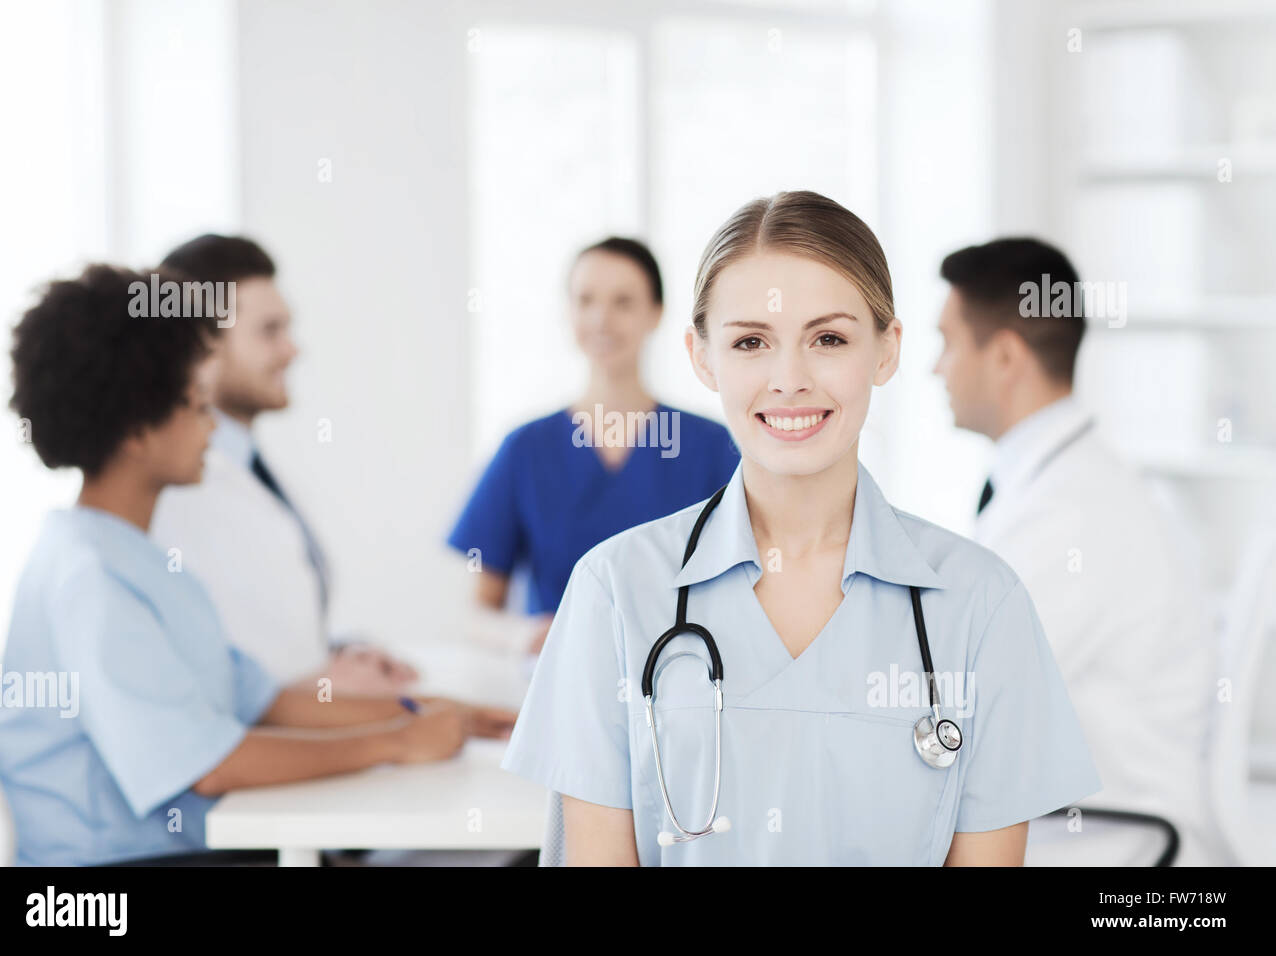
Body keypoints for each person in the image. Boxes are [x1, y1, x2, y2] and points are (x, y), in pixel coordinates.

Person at [500, 192, 1100, 866]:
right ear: (702, 356)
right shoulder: (612, 592)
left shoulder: (982, 604)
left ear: (886, 351)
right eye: (751, 342)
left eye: (829, 339)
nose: (789, 380)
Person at [0, 265, 514, 866]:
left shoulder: (137, 559)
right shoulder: (92, 579)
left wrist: (430, 711)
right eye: (195, 404)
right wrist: (396, 742)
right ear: (136, 430)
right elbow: (207, 766)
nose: (212, 424)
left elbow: (265, 701)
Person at [933, 238, 1218, 865]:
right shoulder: (1058, 486)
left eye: (948, 343)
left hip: (1112, 849)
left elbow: (965, 701)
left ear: (1004, 357)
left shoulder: (1074, 514)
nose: (936, 368)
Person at [448, 237, 740, 655]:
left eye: (623, 302)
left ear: (656, 313)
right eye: (586, 300)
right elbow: (477, 611)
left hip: (678, 676)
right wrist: (524, 635)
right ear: (568, 312)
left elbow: (749, 590)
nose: (602, 319)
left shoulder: (711, 447)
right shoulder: (526, 449)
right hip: (558, 676)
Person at [150, 235, 415, 694]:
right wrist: (311, 688)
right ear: (200, 344)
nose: (293, 350)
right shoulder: (171, 490)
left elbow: (258, 628)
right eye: (269, 331)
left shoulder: (251, 468)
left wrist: (337, 653)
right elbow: (193, 670)